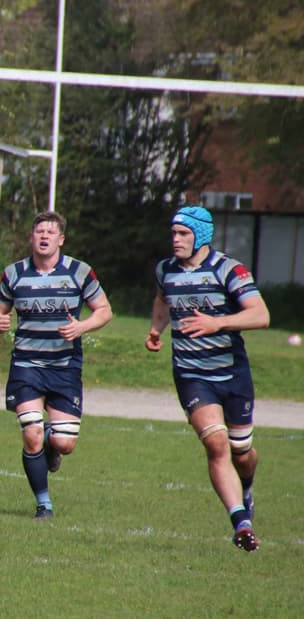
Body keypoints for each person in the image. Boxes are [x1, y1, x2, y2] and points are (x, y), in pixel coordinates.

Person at [145, 206, 269, 552]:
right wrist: (157, 328)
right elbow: (162, 299)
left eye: (182, 233)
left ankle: (246, 486)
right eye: (173, 233)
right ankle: (241, 523)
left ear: (200, 235)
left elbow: (261, 315)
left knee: (241, 451)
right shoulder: (165, 270)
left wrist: (217, 323)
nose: (175, 239)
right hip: (191, 374)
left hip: (232, 373)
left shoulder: (229, 269)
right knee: (216, 444)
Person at [0, 210, 112, 520]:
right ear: (31, 237)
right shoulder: (14, 273)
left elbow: (104, 310)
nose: (44, 236)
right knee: (29, 434)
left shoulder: (79, 272)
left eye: (50, 232)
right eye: (39, 231)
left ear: (61, 239)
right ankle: (44, 504)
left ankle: (50, 436)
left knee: (64, 444)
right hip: (26, 364)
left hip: (64, 367)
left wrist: (82, 327)